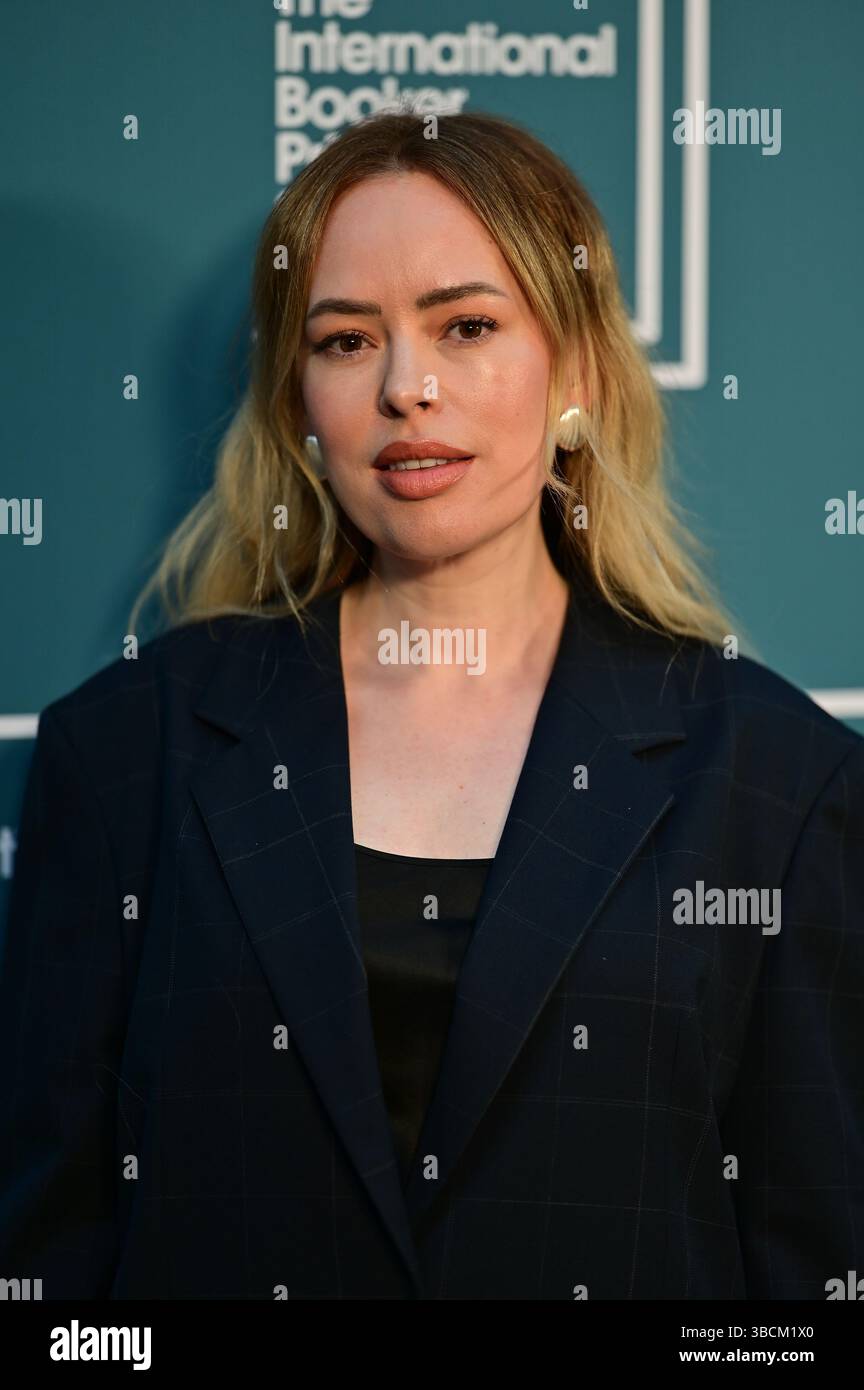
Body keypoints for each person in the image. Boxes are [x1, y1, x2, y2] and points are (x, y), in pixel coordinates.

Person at [0, 111, 861, 1301]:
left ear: (580, 375)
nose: (409, 387)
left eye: (466, 325)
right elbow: (49, 1261)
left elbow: (813, 1277)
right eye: (348, 342)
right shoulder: (121, 753)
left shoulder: (780, 780)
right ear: (299, 397)